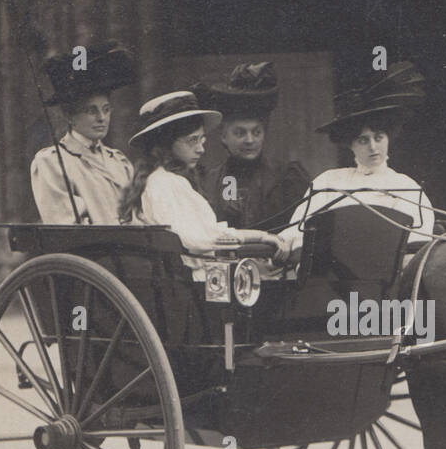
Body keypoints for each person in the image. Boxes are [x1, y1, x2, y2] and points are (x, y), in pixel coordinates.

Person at [120, 91, 290, 275]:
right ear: (165, 142)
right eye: (192, 140)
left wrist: (261, 237)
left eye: (202, 140)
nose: (201, 149)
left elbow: (205, 233)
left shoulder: (171, 181)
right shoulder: (164, 183)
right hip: (189, 282)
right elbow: (200, 239)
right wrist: (259, 237)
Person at [288, 62, 433, 250]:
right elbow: (295, 233)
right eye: (363, 140)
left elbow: (414, 246)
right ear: (350, 144)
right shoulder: (328, 182)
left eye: (379, 137)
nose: (373, 147)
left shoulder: (407, 188)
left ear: (388, 138)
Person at [194, 62, 310, 231]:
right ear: (224, 136)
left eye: (256, 132)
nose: (250, 140)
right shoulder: (209, 181)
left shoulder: (287, 178)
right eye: (240, 133)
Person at [30, 41, 136, 224]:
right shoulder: (53, 161)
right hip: (92, 251)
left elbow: (137, 215)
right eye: (91, 111)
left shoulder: (120, 162)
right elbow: (64, 222)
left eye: (106, 109)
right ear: (70, 116)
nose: (102, 118)